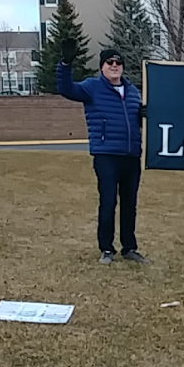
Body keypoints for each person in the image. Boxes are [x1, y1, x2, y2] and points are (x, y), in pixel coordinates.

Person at [57, 43, 148, 265]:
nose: (114, 66)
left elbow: (134, 122)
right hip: (106, 154)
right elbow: (66, 89)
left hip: (131, 156)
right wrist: (65, 64)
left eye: (118, 63)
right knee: (108, 201)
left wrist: (145, 115)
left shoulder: (133, 92)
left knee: (130, 204)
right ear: (102, 67)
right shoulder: (92, 88)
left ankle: (129, 248)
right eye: (110, 62)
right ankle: (106, 248)